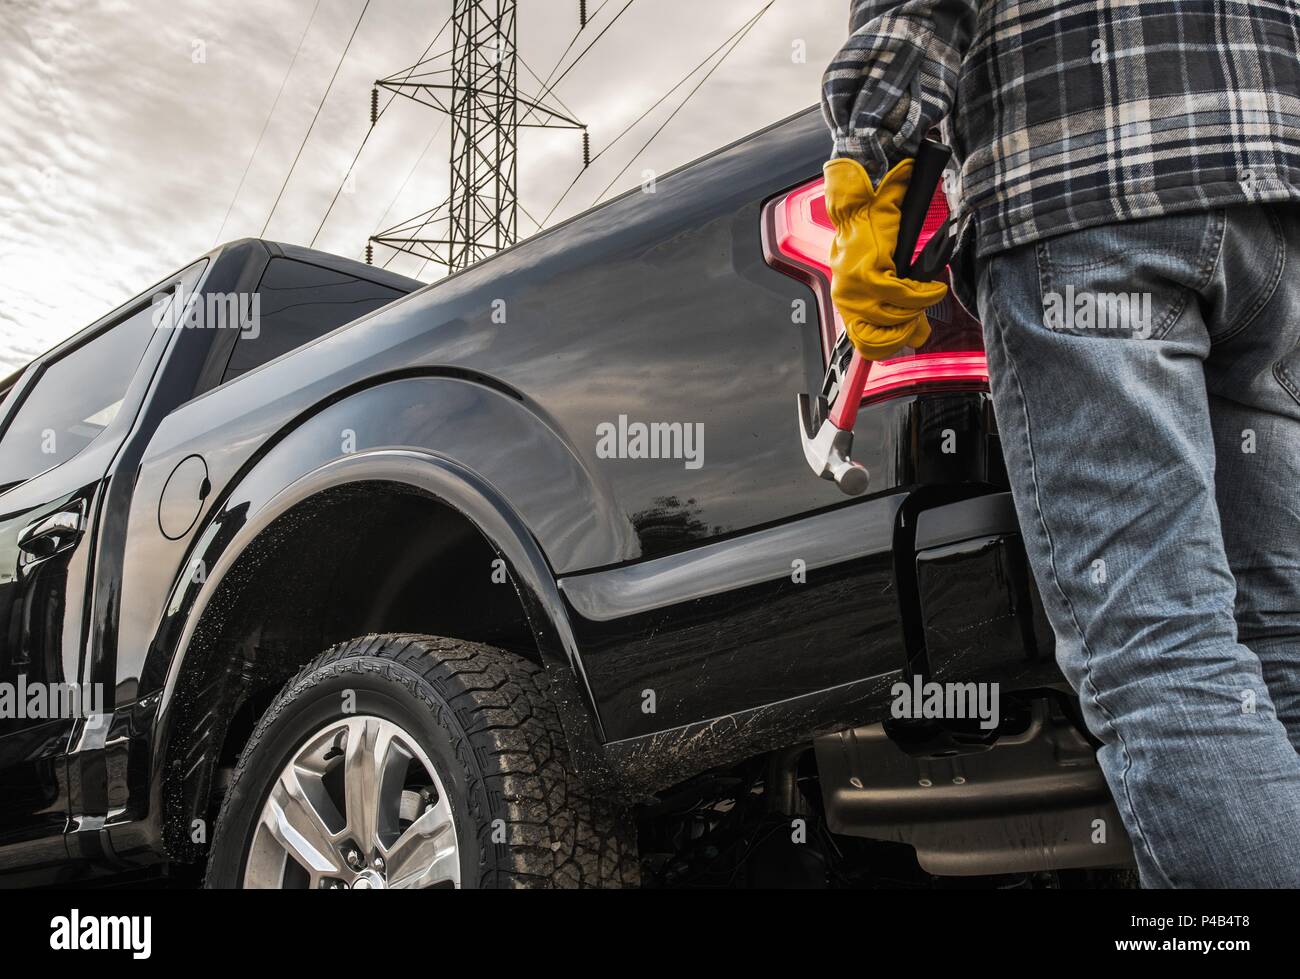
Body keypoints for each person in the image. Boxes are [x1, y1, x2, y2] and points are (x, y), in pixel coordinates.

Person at [820, 0, 1300, 887]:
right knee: (1276, 645)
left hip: (1090, 180)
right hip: (1273, 203)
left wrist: (870, 155)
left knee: (1162, 652)